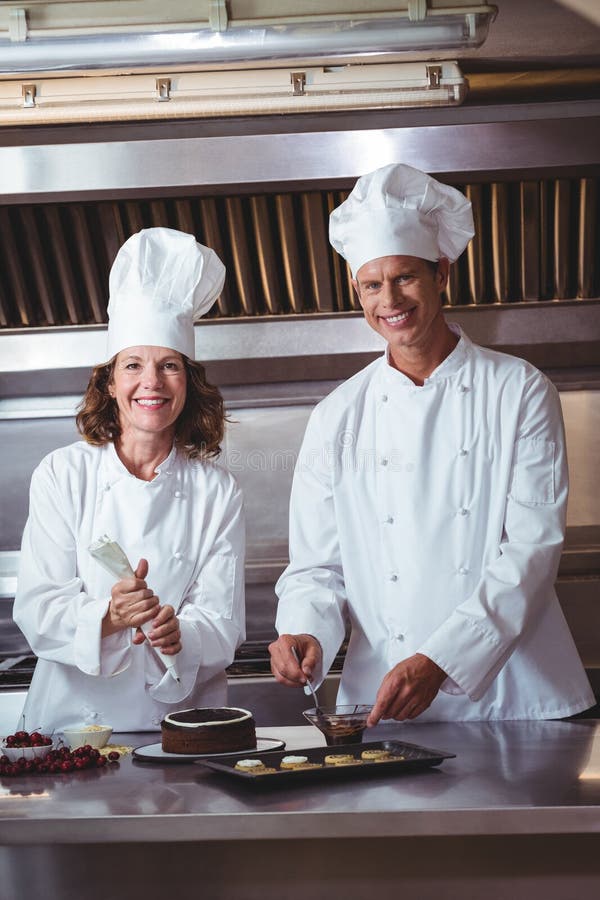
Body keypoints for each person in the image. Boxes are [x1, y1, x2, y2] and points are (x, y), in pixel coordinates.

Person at [269, 163, 594, 724]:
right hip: (384, 698)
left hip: (514, 699)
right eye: (372, 284)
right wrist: (303, 629)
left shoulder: (519, 390)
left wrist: (442, 660)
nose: (389, 299)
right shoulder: (337, 416)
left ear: (441, 273)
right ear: (357, 292)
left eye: (405, 277)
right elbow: (318, 567)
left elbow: (531, 551)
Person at [14, 227, 245, 732]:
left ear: (189, 381)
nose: (152, 383)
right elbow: (36, 608)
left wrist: (178, 631)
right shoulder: (62, 474)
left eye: (169, 366)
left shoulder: (217, 490)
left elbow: (223, 624)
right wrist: (110, 616)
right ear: (110, 382)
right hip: (70, 730)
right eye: (133, 365)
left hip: (179, 730)